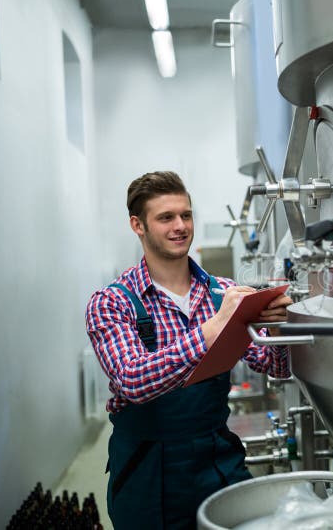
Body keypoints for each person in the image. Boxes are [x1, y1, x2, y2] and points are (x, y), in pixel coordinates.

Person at [85, 171, 293, 529]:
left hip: (218, 457)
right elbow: (132, 379)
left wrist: (276, 325)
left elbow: (273, 366)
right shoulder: (111, 303)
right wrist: (212, 329)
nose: (180, 226)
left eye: (186, 215)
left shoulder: (222, 293)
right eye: (165, 217)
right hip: (148, 469)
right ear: (138, 225)